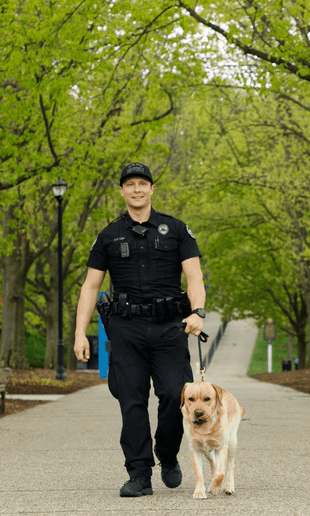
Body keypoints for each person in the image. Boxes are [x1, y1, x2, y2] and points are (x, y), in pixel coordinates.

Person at [74, 162, 207, 498]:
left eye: (142, 183)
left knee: (176, 395)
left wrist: (198, 312)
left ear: (151, 189)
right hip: (126, 329)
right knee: (131, 401)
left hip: (169, 328)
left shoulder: (176, 230)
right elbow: (91, 286)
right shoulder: (107, 236)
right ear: (122, 191)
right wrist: (80, 333)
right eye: (130, 184)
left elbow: (194, 276)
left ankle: (167, 452)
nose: (136, 189)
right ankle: (139, 475)